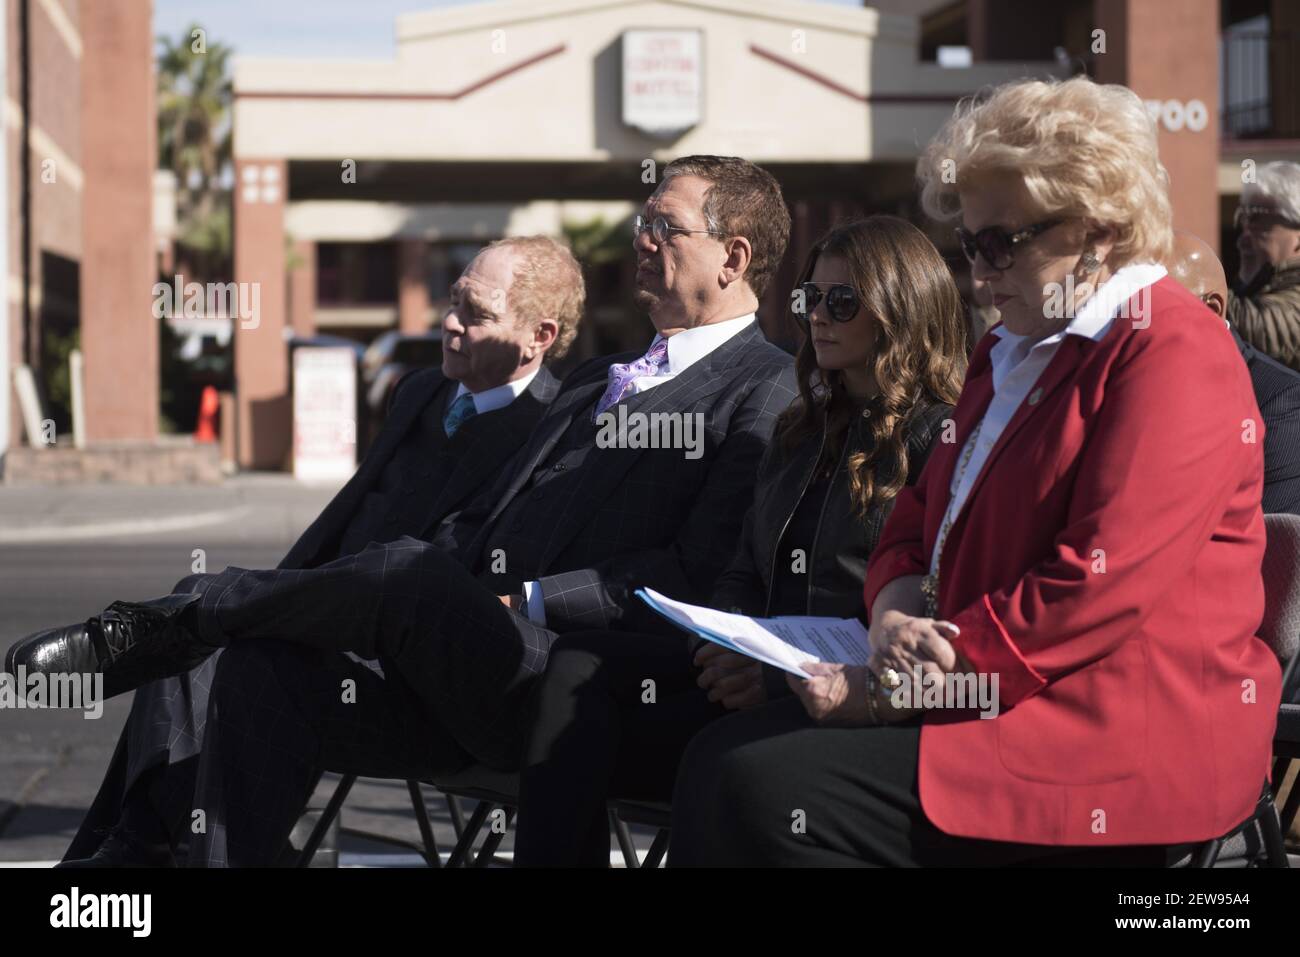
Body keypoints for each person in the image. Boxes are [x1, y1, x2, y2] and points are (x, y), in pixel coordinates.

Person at [7, 154, 798, 867]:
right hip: (459, 668)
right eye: (642, 222)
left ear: (734, 257)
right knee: (258, 669)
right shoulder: (600, 378)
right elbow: (491, 513)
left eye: (667, 225)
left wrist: (521, 598)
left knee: (408, 567)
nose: (644, 239)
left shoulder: (765, 390)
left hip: (571, 685)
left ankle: (172, 619)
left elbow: (688, 576)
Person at [670, 76, 1281, 867]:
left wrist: (899, 694)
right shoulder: (1007, 350)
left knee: (763, 786)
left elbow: (1093, 588)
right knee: (714, 755)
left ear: (1098, 229)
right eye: (969, 243)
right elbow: (917, 518)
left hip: (1111, 731)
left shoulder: (1173, 349)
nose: (980, 270)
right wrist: (889, 618)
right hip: (982, 692)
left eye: (1003, 242)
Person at [55, 235, 578, 866]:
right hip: (327, 622)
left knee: (218, 638)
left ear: (539, 336)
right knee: (196, 646)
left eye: (477, 313)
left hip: (419, 681)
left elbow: (486, 582)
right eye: (452, 302)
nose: (449, 323)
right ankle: (136, 848)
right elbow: (350, 517)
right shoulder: (419, 392)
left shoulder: (556, 434)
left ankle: (155, 848)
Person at [512, 215, 966, 866]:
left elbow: (921, 612)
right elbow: (743, 569)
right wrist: (724, 639)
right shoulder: (800, 429)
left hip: (845, 695)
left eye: (843, 301)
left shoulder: (938, 438)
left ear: (902, 309)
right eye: (810, 299)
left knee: (717, 758)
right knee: (578, 666)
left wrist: (775, 678)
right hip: (752, 671)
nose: (819, 317)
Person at [1169, 230, 1300, 514]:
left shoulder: (1279, 402)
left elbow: (1272, 536)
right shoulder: (1118, 386)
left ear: (1212, 309)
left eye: (1158, 310)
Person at [1227, 160, 1300, 370]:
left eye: (1257, 217)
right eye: (1243, 218)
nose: (1243, 238)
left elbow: (1266, 331)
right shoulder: (1253, 292)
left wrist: (1199, 287)